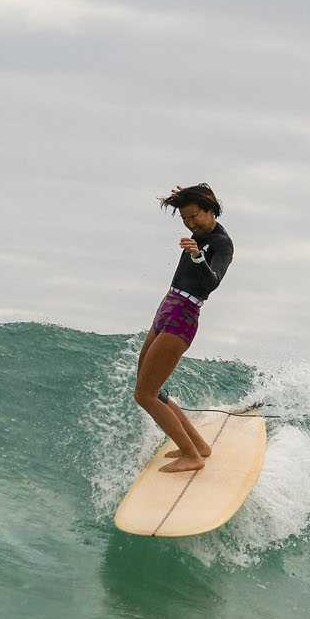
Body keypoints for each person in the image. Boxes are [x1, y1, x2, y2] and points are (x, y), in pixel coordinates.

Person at [135, 182, 233, 473]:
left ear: (210, 211)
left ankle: (193, 457)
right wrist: (188, 194)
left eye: (194, 216)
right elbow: (202, 198)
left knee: (145, 395)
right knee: (147, 384)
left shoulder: (221, 243)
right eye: (185, 219)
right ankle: (198, 445)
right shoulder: (200, 231)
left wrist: (197, 256)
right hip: (167, 306)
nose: (190, 223)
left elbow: (212, 283)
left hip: (184, 314)